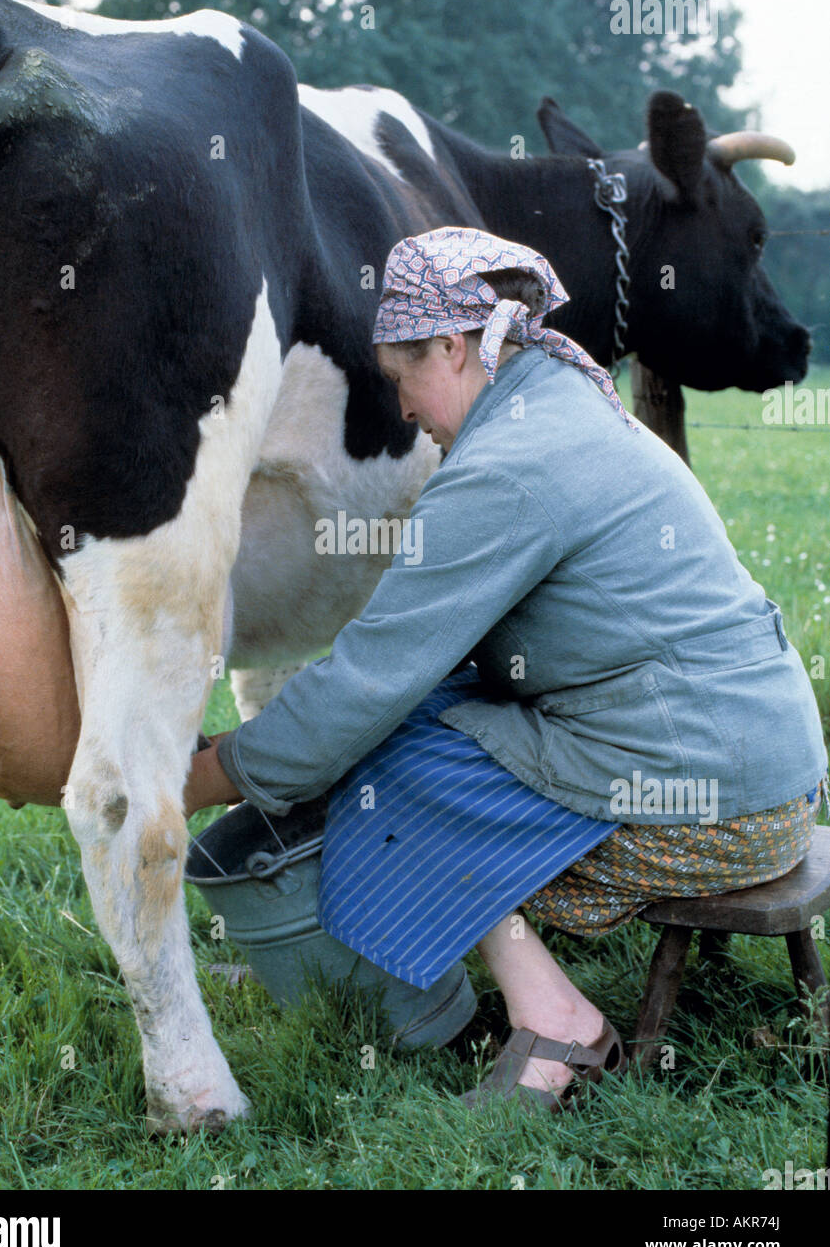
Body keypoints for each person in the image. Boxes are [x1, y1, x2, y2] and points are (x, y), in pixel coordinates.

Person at [184, 227, 829, 1114]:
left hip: (715, 809)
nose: (402, 408)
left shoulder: (507, 470)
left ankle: (557, 1022)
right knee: (407, 731)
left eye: (401, 376)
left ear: (452, 348)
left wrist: (211, 774)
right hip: (764, 770)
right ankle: (396, 945)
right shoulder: (555, 403)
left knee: (396, 767)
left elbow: (372, 680)